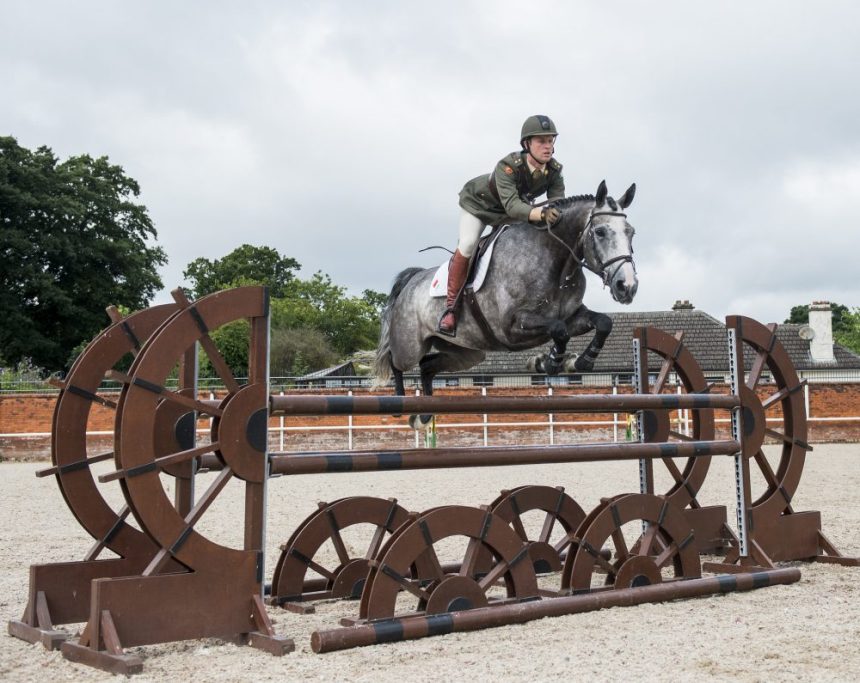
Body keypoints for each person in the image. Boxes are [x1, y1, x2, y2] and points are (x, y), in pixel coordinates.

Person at [438, 114, 566, 335]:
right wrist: (541, 213)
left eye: (550, 141)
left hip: (514, 210)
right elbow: (514, 207)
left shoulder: (554, 171)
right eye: (541, 141)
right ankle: (451, 309)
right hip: (480, 205)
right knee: (468, 244)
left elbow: (557, 204)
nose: (547, 146)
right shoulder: (508, 166)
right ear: (527, 144)